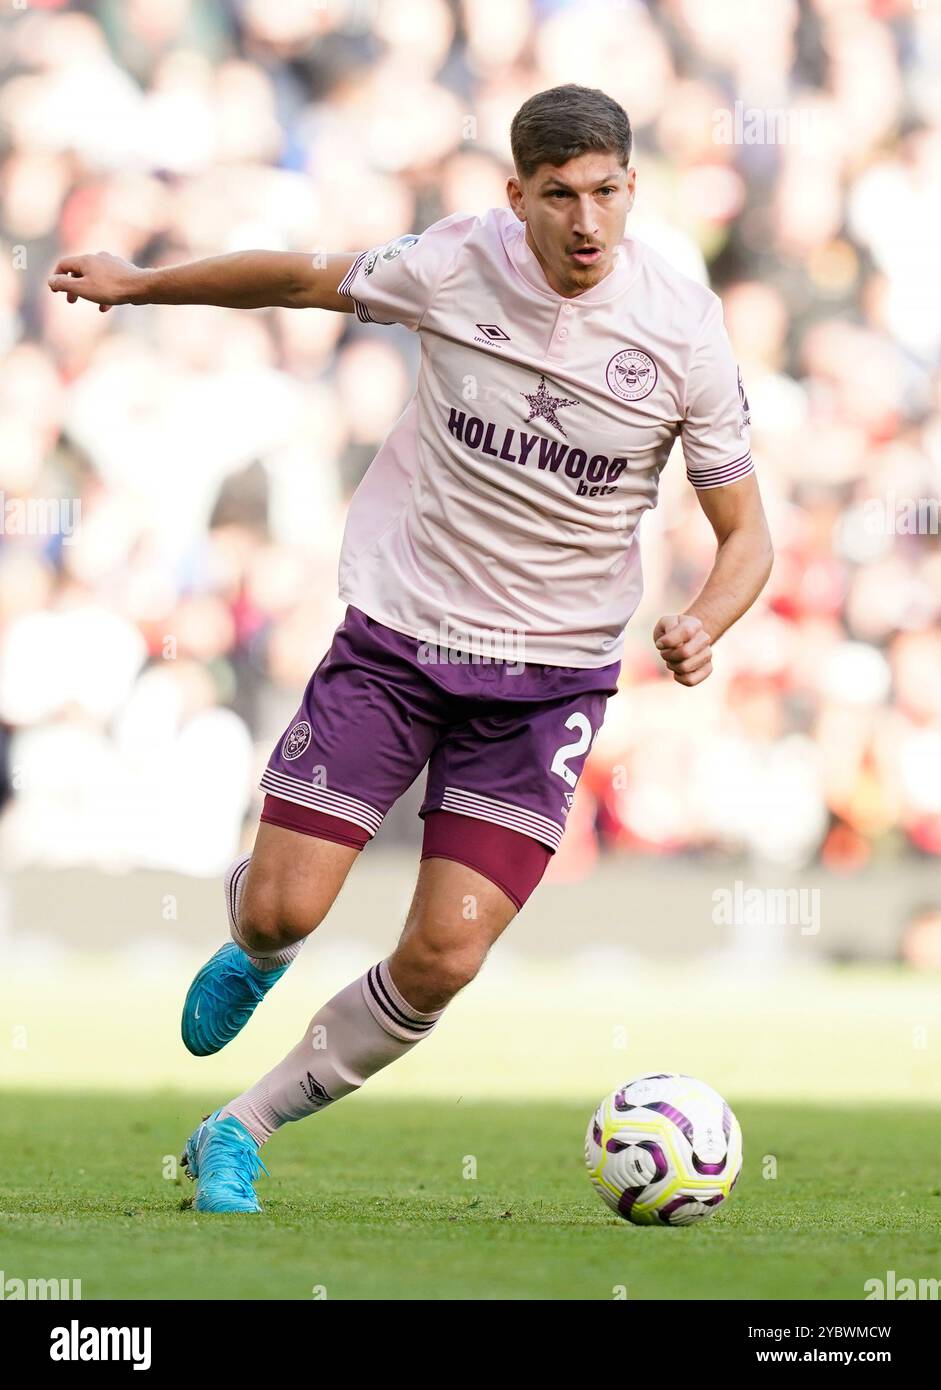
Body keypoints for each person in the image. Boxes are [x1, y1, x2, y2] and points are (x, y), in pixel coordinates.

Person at [48, 84, 773, 1213]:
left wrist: (702, 620)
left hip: (546, 682)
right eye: (559, 197)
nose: (586, 224)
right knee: (283, 909)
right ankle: (257, 945)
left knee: (443, 955)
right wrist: (141, 284)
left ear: (632, 188)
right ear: (515, 197)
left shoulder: (681, 330)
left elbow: (746, 534)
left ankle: (239, 1128)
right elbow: (297, 278)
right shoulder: (451, 262)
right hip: (400, 638)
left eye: (607, 194)